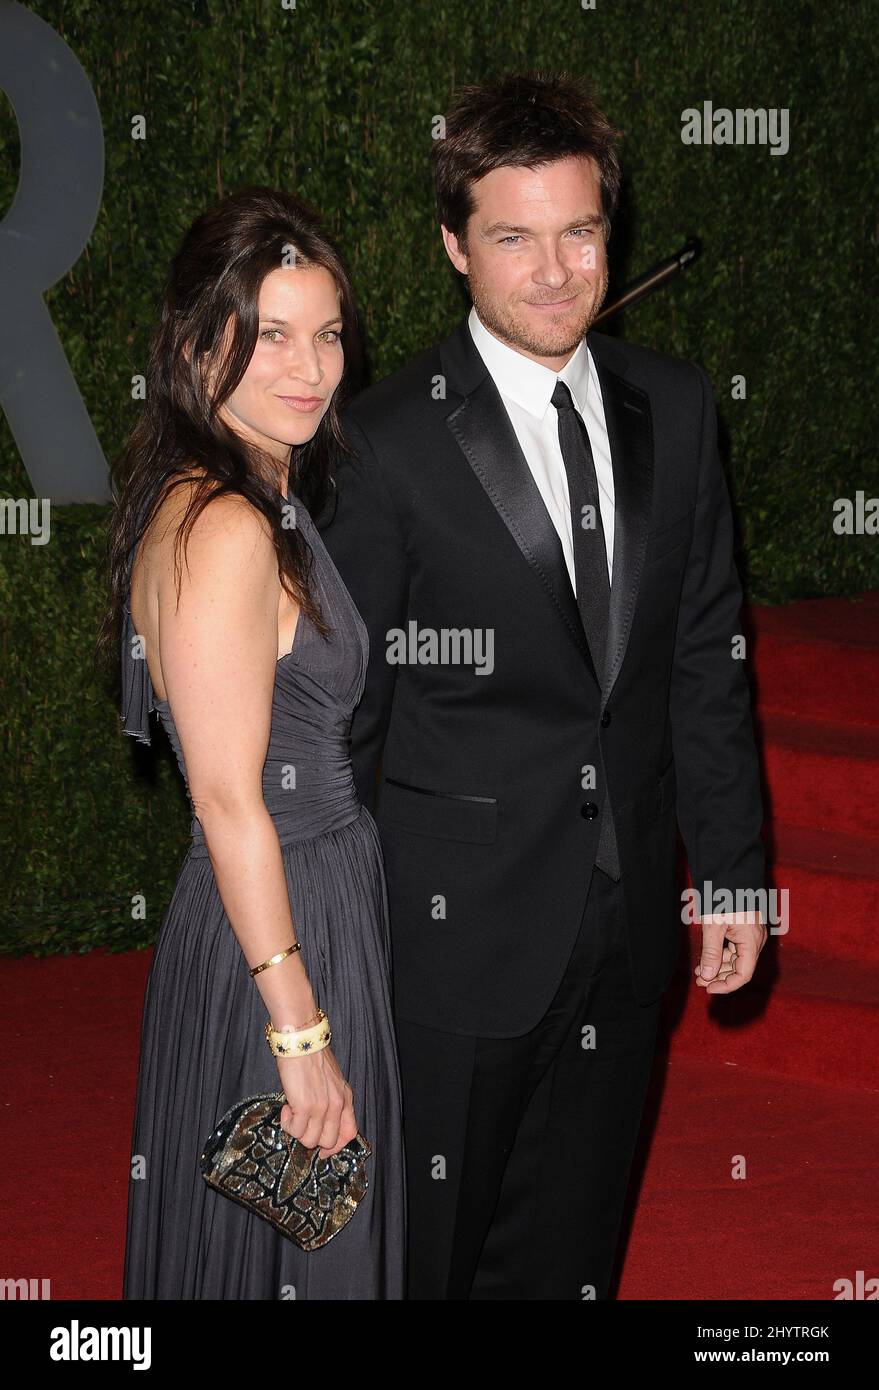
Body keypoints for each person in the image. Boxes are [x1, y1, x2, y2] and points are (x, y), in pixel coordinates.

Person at [320, 72, 767, 1300]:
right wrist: (327, 961)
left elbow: (703, 654)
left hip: (624, 925)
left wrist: (730, 867)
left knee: (572, 1255)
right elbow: (346, 725)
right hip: (447, 941)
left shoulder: (674, 408)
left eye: (580, 232)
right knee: (423, 1259)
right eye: (515, 237)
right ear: (456, 246)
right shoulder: (387, 439)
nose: (558, 270)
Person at [98, 186, 405, 1299]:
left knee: (272, 1242)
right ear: (197, 341)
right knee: (308, 1245)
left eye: (326, 333)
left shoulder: (214, 494)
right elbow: (228, 798)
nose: (310, 367)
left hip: (271, 910)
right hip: (282, 921)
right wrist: (301, 1032)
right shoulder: (227, 524)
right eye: (271, 333)